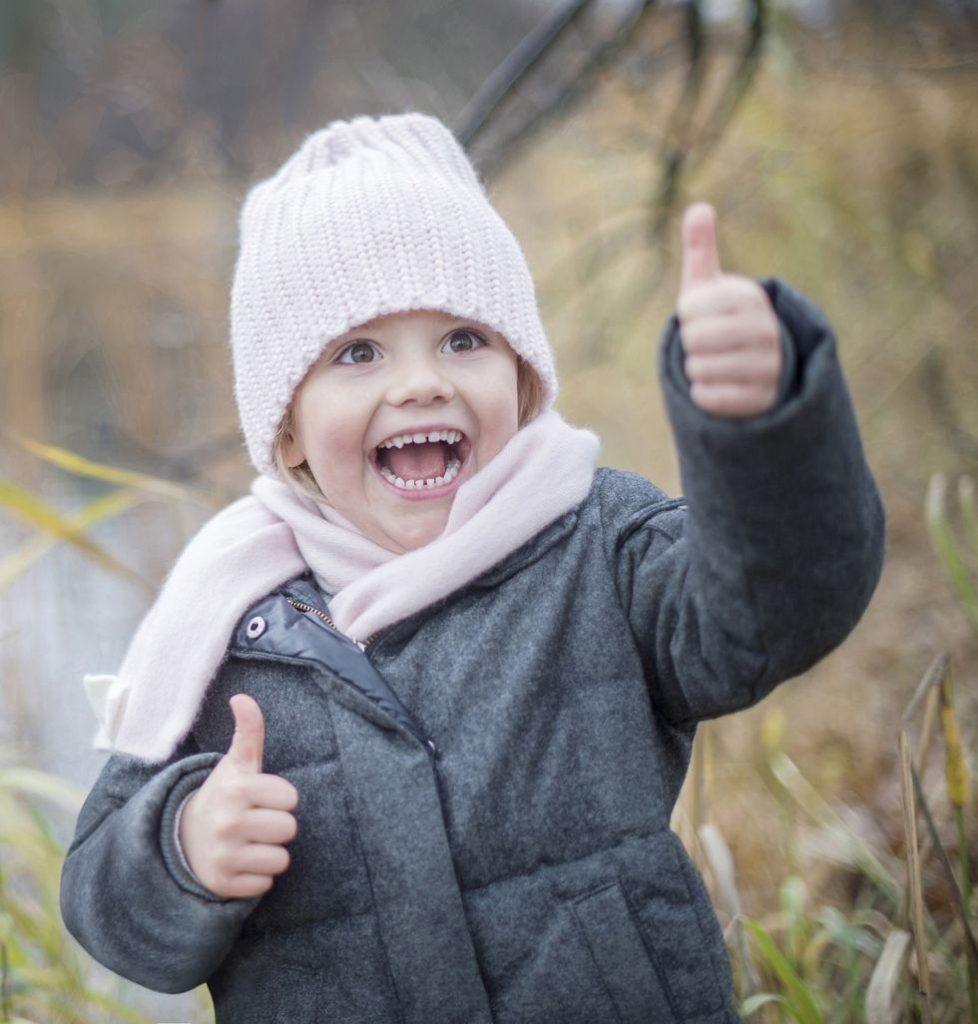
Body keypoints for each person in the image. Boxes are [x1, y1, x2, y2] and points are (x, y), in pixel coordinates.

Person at [60, 113, 884, 1024]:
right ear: (286, 427)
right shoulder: (225, 625)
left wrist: (758, 432)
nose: (419, 383)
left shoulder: (594, 544)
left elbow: (772, 611)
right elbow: (101, 895)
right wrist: (184, 846)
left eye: (462, 339)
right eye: (357, 353)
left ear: (523, 378)